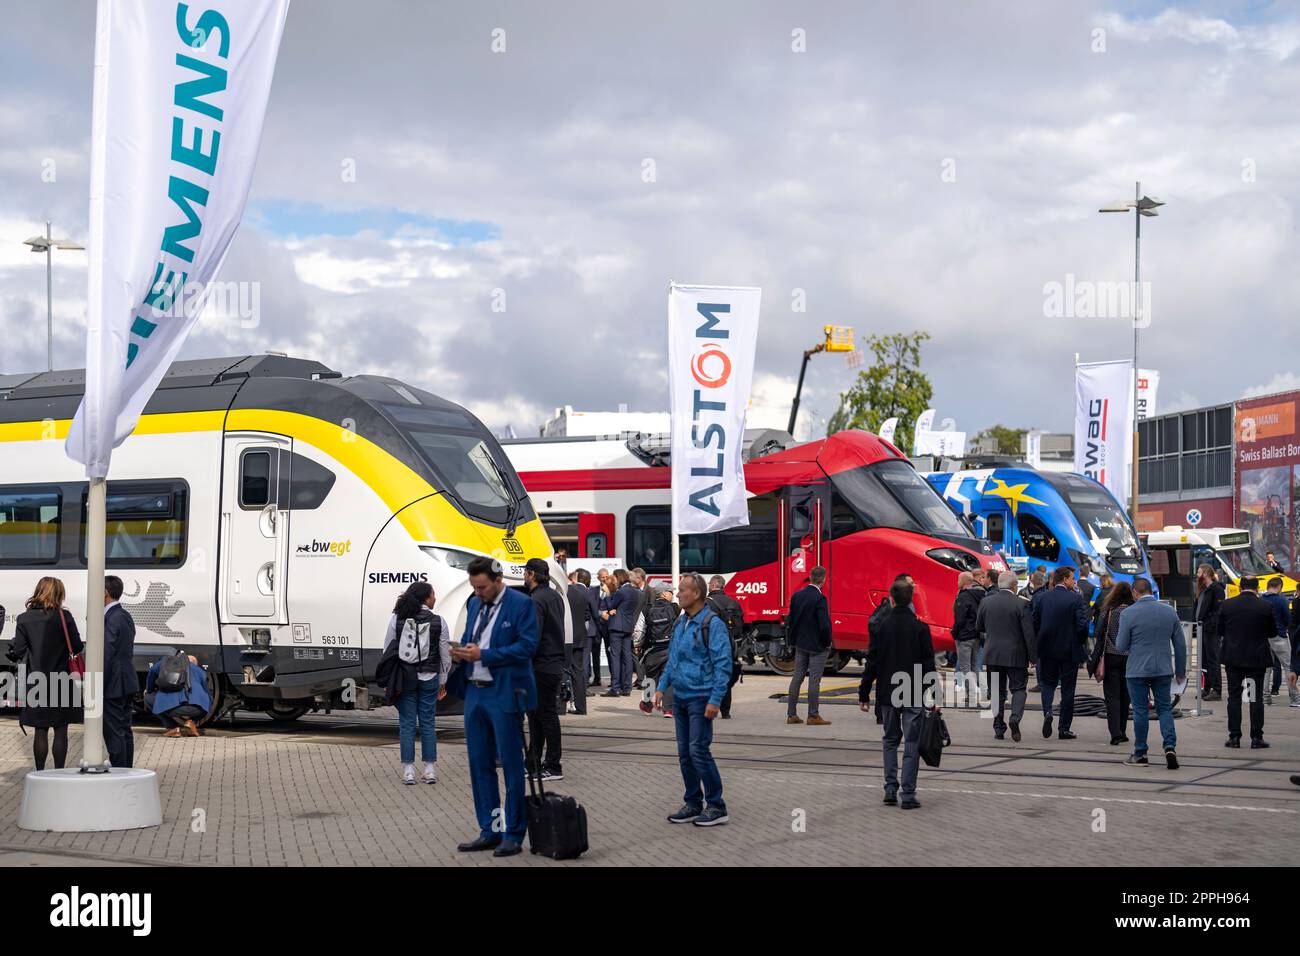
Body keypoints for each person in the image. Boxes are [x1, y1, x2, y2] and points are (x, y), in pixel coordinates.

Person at [447, 557, 539, 857]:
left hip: (505, 692)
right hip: (475, 693)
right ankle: (490, 829)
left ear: (498, 580)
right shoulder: (474, 605)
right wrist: (461, 653)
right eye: (474, 587)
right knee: (479, 764)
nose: (478, 593)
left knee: (512, 765)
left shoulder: (521, 604)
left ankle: (513, 833)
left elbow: (527, 647)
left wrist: (484, 655)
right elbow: (472, 639)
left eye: (482, 587)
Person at [656, 572, 733, 827]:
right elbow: (673, 659)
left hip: (701, 697)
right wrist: (661, 687)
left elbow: (723, 666)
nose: (677, 594)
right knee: (684, 754)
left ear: (696, 594)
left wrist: (715, 700)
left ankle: (716, 806)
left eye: (682, 590)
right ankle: (692, 803)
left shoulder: (712, 624)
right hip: (681, 697)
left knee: (698, 751)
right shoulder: (681, 623)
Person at [859, 578, 937, 809]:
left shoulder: (881, 627)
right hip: (912, 691)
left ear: (891, 600)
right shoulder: (921, 628)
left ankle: (890, 788)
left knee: (890, 740)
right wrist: (934, 697)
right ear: (911, 599)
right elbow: (929, 665)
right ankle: (909, 794)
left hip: (888, 692)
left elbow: (871, 662)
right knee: (911, 743)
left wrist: (864, 693)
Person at [6, 577, 83, 770]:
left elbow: (19, 651)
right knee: (61, 729)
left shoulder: (24, 618)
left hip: (36, 680)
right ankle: (59, 773)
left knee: (40, 730)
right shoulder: (65, 617)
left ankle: (40, 772)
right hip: (62, 680)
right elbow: (77, 646)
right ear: (59, 594)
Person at [380, 580, 450, 784]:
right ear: (427, 598)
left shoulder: (397, 619)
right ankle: (429, 770)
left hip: (404, 678)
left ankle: (408, 771)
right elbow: (445, 655)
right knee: (428, 723)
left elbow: (388, 650)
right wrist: (443, 680)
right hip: (429, 678)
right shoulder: (439, 621)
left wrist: (388, 679)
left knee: (407, 724)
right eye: (433, 594)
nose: (435, 597)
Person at [1115, 578, 1186, 769]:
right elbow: (1180, 644)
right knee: (1164, 709)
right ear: (1150, 592)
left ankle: (1140, 753)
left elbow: (1121, 646)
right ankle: (1170, 746)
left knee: (1140, 710)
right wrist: (1180, 671)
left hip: (1136, 670)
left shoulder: (1128, 613)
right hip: (1163, 669)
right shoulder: (1169, 612)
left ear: (1134, 593)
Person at [1032, 565, 1088, 740]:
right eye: (1072, 578)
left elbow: (1034, 622)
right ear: (1065, 579)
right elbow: (1082, 625)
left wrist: (1039, 640)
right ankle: (1064, 728)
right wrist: (1079, 642)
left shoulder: (1042, 598)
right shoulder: (1075, 599)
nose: (1074, 581)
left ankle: (1048, 711)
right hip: (1069, 650)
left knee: (1047, 684)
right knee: (1067, 689)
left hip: (1047, 649)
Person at [1218, 576, 1274, 749]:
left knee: (1234, 697)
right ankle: (1256, 737)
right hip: (1256, 661)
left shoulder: (1227, 605)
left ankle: (1234, 737)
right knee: (1255, 698)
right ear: (1257, 588)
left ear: (1240, 586)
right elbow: (1272, 632)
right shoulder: (1265, 606)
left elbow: (1220, 630)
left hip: (1233, 659)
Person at [977, 570, 1033, 741]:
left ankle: (998, 728)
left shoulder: (986, 602)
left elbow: (979, 626)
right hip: (1015, 654)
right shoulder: (1022, 604)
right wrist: (1033, 656)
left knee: (996, 692)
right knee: (1018, 689)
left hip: (992, 653)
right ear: (1015, 586)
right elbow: (1028, 633)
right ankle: (1014, 718)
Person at [524, 558, 566, 780]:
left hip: (540, 664)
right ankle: (533, 763)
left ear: (531, 574)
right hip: (553, 662)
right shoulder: (555, 596)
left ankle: (553, 765)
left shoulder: (536, 599)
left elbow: (533, 635)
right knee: (537, 716)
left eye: (525, 572)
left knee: (545, 716)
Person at [785, 565, 833, 726]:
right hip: (817, 646)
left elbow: (791, 621)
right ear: (824, 579)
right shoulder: (820, 599)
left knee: (797, 677)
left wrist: (793, 640)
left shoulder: (797, 595)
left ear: (810, 577)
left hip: (801, 644)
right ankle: (813, 715)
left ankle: (791, 714)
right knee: (814, 681)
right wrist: (827, 642)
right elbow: (824, 625)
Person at [1089, 581, 1134, 745]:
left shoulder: (1108, 611)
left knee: (1112, 696)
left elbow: (1098, 633)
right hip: (1129, 657)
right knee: (1126, 696)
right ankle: (1122, 730)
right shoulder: (1132, 611)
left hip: (1110, 656)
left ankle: (1115, 733)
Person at [102, 575, 138, 769]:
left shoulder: (110, 618)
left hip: (112, 684)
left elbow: (106, 654)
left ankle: (119, 771)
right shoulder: (125, 615)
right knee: (125, 730)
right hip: (127, 679)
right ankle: (126, 769)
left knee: (114, 732)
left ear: (105, 592)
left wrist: (97, 683)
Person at [705, 576, 744, 719]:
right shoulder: (734, 602)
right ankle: (726, 711)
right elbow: (740, 626)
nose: (708, 585)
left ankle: (712, 709)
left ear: (714, 585)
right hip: (729, 646)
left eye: (709, 583)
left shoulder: (707, 603)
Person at [145, 654, 212, 736]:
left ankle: (172, 728)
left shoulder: (166, 662)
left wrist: (149, 690)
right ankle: (192, 722)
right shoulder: (200, 671)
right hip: (196, 709)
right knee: (207, 700)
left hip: (171, 708)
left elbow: (152, 672)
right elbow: (209, 697)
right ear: (194, 664)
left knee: (148, 698)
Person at [638, 589, 680, 716]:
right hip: (670, 648)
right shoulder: (675, 608)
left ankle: (646, 705)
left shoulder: (646, 609)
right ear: (664, 594)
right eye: (670, 592)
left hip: (652, 649)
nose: (672, 595)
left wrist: (638, 644)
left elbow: (639, 630)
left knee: (650, 678)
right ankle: (668, 709)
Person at [601, 568, 638, 697]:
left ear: (619, 577)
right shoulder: (634, 591)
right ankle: (627, 688)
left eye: (615, 578)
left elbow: (611, 606)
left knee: (615, 657)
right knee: (627, 657)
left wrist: (607, 594)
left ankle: (615, 688)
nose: (614, 581)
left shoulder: (621, 591)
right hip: (628, 627)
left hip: (617, 627)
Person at [1261, 577, 1297, 706]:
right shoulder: (1281, 599)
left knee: (1266, 668)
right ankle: (1294, 698)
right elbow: (1287, 618)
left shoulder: (1262, 599)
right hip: (1279, 635)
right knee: (1288, 666)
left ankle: (1265, 698)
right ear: (1279, 587)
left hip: (1264, 638)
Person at [1194, 565, 1226, 700]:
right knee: (1204, 660)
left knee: (1213, 659)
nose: (1197, 574)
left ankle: (1216, 689)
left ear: (1206, 573)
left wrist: (1211, 624)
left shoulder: (1216, 589)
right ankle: (1207, 687)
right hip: (1202, 628)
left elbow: (1219, 610)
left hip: (1210, 630)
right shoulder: (1203, 589)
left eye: (1199, 572)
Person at [951, 571, 983, 704]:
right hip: (976, 635)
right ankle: (983, 690)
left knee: (965, 667)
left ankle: (971, 696)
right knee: (975, 664)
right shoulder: (979, 595)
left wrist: (954, 632)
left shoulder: (963, 597)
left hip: (964, 636)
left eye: (959, 580)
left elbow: (960, 619)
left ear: (964, 582)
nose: (957, 582)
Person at [565, 571, 591, 715]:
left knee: (562, 671)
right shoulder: (581, 594)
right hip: (580, 637)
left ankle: (560, 706)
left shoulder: (561, 594)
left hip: (565, 637)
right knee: (578, 672)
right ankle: (581, 707)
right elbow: (587, 614)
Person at [588, 568, 610, 686]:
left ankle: (613, 678)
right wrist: (601, 613)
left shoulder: (611, 591)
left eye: (606, 577)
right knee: (595, 653)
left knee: (609, 652)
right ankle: (597, 678)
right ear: (598, 578)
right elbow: (591, 607)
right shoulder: (592, 591)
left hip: (607, 627)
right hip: (596, 626)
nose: (605, 579)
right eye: (603, 577)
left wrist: (608, 594)